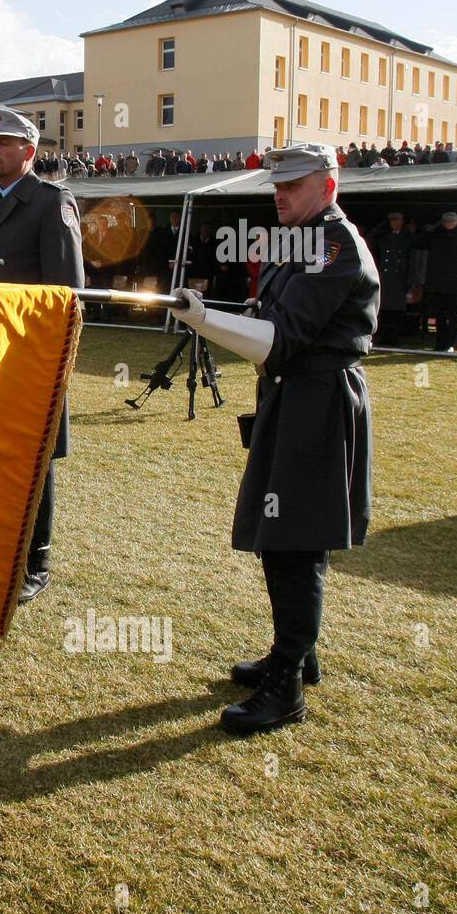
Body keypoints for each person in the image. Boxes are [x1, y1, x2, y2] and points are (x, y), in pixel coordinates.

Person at [169, 143, 379, 734]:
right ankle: (296, 653)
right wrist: (209, 309)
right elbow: (268, 315)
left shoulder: (334, 249)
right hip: (293, 396)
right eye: (277, 184)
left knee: (295, 539)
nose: (279, 194)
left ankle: (285, 684)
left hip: (318, 399)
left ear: (328, 188)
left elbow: (280, 337)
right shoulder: (303, 241)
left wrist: (204, 320)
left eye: (293, 184)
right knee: (279, 531)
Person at [0, 107, 84, 602]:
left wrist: (53, 361)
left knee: (37, 458)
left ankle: (38, 559)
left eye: (5, 144)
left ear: (29, 153)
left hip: (30, 354)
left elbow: (69, 292)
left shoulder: (50, 202)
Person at [416, 212, 457, 352]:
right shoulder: (435, 236)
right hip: (437, 282)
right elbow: (418, 243)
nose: (449, 224)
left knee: (452, 315)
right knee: (439, 315)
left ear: (456, 222)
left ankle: (449, 343)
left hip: (455, 283)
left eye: (451, 221)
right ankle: (440, 343)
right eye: (446, 222)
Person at [367, 212, 416, 345]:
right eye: (391, 221)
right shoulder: (385, 237)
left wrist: (411, 282)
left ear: (402, 221)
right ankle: (383, 337)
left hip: (400, 278)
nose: (394, 223)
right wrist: (380, 226)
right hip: (386, 278)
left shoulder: (408, 237)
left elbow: (413, 259)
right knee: (384, 310)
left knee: (397, 311)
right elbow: (370, 240)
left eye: (396, 220)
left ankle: (394, 338)